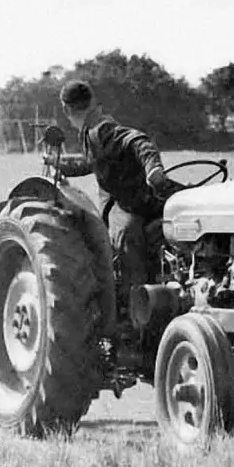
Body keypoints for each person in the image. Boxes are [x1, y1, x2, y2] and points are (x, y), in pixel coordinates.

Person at [48, 80, 175, 331]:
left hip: (133, 201)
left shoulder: (101, 128)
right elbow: (91, 162)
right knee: (126, 233)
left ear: (67, 109)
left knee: (127, 233)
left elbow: (139, 141)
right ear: (91, 101)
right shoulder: (91, 129)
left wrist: (153, 168)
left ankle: (142, 312)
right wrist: (59, 163)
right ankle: (133, 314)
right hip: (128, 202)